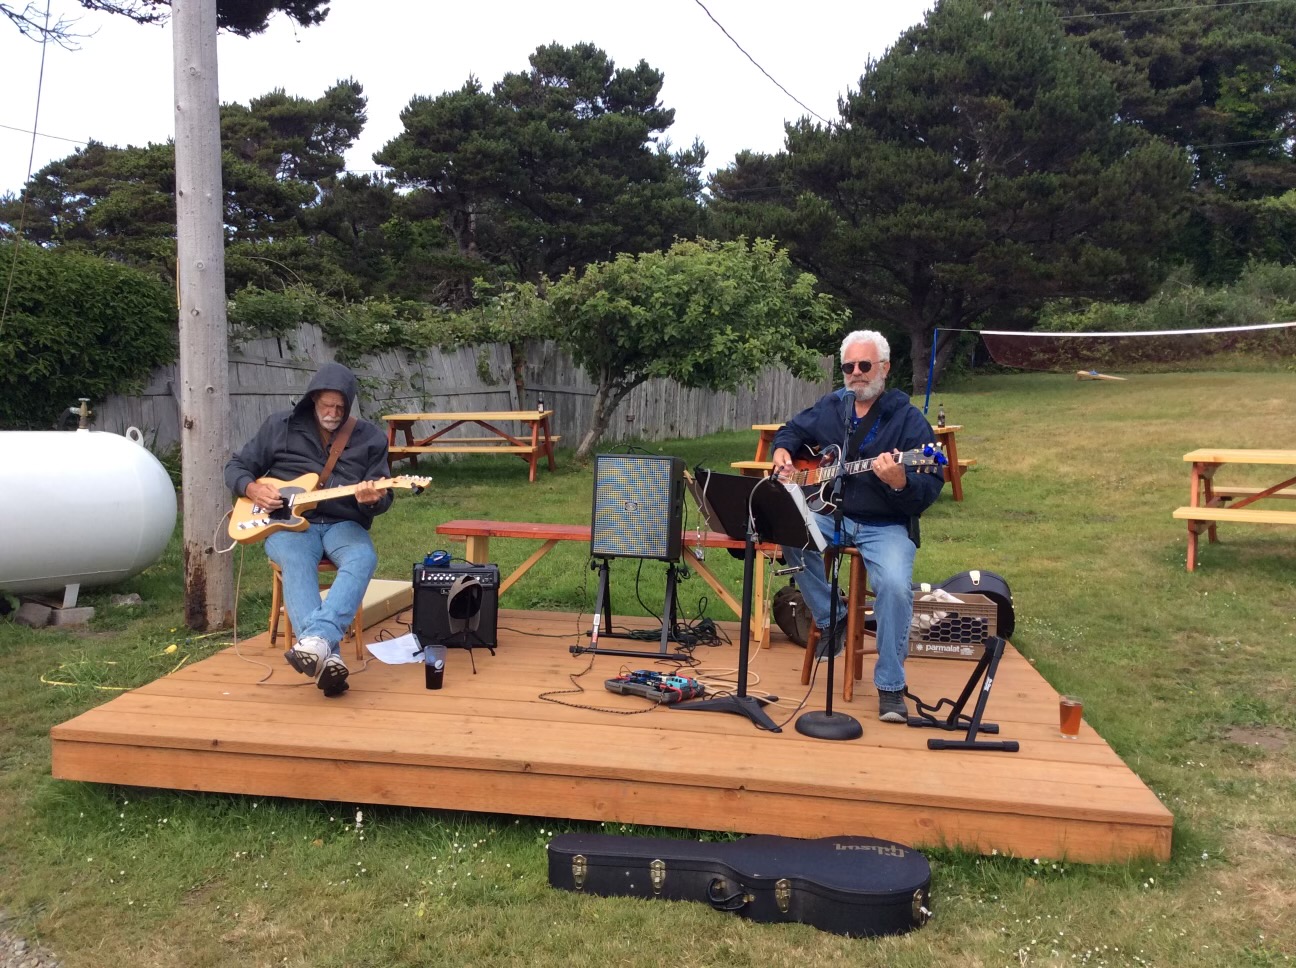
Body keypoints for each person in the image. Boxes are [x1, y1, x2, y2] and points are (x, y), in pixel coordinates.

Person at [771, 330, 943, 723]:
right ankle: (832, 618)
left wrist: (900, 480)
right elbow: (792, 431)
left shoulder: (907, 420)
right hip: (832, 515)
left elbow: (930, 485)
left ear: (884, 367)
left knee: (896, 588)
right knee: (788, 527)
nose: (856, 374)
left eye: (865, 366)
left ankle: (890, 685)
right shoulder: (833, 407)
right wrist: (782, 450)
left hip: (885, 524)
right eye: (849, 367)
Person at [225, 362, 393, 697]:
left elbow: (384, 499)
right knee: (297, 561)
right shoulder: (279, 427)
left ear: (348, 405)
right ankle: (326, 654)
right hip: (286, 524)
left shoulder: (370, 438)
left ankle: (316, 644)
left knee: (362, 556)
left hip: (343, 522)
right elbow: (236, 466)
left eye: (340, 407)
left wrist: (372, 500)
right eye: (326, 405)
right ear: (312, 399)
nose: (332, 413)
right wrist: (253, 489)